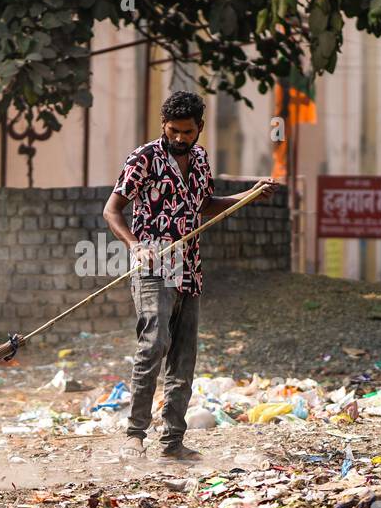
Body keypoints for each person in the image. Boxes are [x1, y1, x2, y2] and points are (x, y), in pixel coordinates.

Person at [103, 90, 278, 460]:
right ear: (163, 126)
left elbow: (204, 206)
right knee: (154, 343)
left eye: (187, 131)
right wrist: (136, 245)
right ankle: (134, 435)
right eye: (173, 131)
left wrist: (247, 195)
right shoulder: (144, 158)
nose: (180, 138)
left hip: (189, 269)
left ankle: (172, 443)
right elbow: (112, 211)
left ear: (200, 127)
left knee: (184, 357)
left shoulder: (199, 159)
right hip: (153, 266)